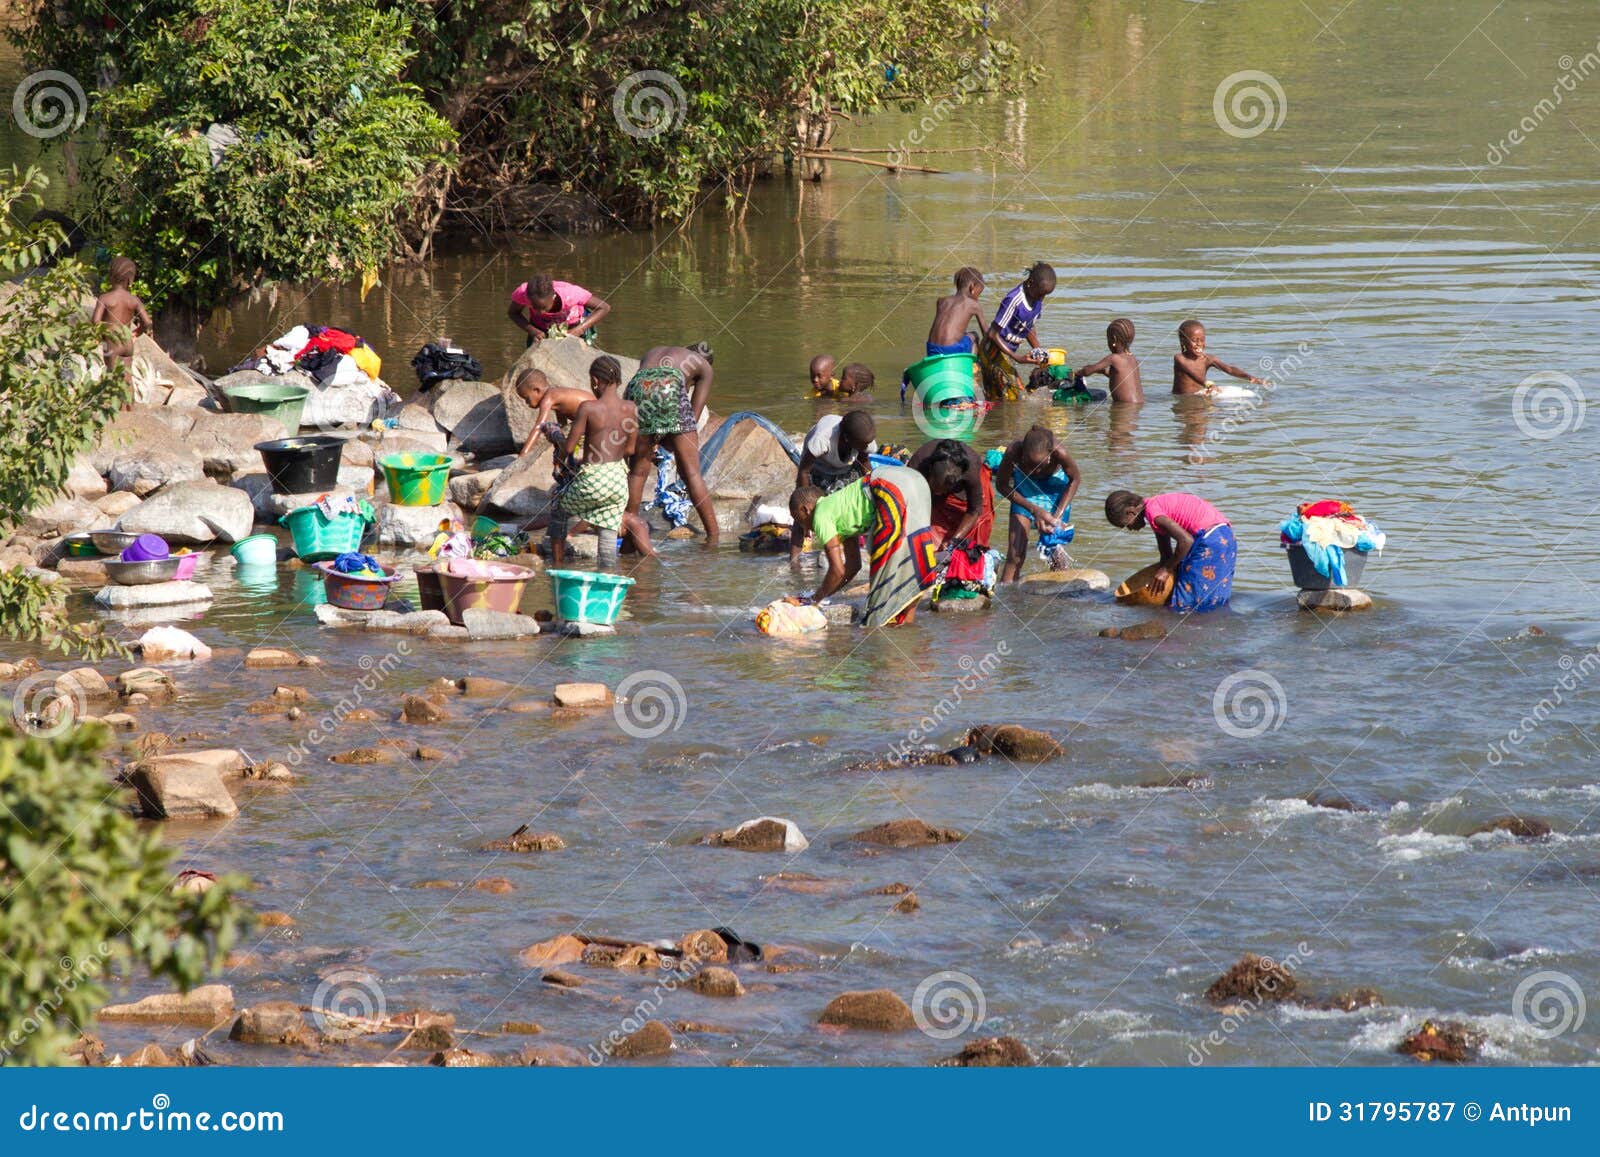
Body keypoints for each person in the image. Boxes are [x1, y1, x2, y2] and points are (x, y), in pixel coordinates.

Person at [787, 464, 940, 627]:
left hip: (888, 485)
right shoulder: (838, 507)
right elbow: (853, 566)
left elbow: (837, 570)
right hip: (916, 481)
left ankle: (881, 625)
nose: (804, 528)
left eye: (799, 520)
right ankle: (908, 623)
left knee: (885, 564)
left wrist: (812, 600)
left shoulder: (820, 515)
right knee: (912, 556)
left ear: (806, 510)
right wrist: (823, 595)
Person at [547, 357, 654, 566]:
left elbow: (568, 448)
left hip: (592, 479)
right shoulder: (631, 407)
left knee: (558, 510)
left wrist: (557, 439)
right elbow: (630, 449)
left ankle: (557, 567)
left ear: (595, 381)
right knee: (608, 529)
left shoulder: (588, 408)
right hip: (617, 482)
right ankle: (608, 577)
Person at [623, 343, 719, 544]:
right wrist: (672, 444)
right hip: (669, 388)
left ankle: (626, 530)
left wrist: (654, 441)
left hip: (637, 387)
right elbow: (691, 416)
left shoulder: (653, 351)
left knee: (638, 471)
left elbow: (653, 398)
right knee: (691, 474)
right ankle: (713, 537)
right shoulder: (705, 368)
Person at [1104, 489, 1235, 612]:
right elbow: (1166, 555)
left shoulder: (1154, 513)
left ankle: (1188, 632)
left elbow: (1186, 541)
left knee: (1186, 602)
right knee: (1213, 597)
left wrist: (1166, 570)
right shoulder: (1155, 508)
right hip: (1225, 537)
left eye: (1125, 525)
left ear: (1131, 513)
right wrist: (1162, 572)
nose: (1130, 529)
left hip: (1210, 540)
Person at [992, 425, 1081, 582]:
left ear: (1050, 456)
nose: (1034, 472)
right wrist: (1034, 509)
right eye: (1028, 464)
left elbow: (1075, 479)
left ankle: (1059, 598)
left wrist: (1055, 518)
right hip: (1025, 491)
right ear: (1023, 455)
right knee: (1015, 554)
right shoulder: (1014, 451)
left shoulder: (1060, 452)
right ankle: (1008, 596)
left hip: (1055, 492)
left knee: (1053, 549)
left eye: (1040, 466)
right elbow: (1002, 485)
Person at [978, 262, 1055, 400]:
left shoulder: (1037, 299)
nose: (1041, 298)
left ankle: (994, 419)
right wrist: (1017, 358)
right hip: (992, 352)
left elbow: (1029, 327)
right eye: (1040, 294)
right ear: (1031, 282)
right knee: (1018, 398)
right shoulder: (1014, 300)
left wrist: (1039, 351)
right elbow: (992, 333)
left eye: (1045, 295)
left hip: (1007, 354)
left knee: (998, 397)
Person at [908, 438, 994, 551]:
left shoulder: (971, 471)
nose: (938, 492)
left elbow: (974, 510)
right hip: (930, 492)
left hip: (971, 491)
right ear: (929, 472)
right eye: (935, 487)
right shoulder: (917, 464)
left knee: (974, 540)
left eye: (942, 490)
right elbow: (907, 503)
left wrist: (954, 541)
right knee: (926, 540)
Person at [92, 257, 153, 385]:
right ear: (130, 280)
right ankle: (129, 405)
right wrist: (136, 333)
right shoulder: (133, 299)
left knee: (112, 379)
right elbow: (147, 322)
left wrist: (101, 335)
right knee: (127, 379)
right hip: (127, 342)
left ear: (110, 276)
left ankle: (113, 404)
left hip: (111, 343)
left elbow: (95, 321)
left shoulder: (105, 298)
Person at [513, 368, 599, 456]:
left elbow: (539, 426)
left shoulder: (548, 398)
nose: (526, 402)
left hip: (595, 419)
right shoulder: (555, 395)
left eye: (527, 398)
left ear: (536, 390)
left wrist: (523, 454)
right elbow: (562, 423)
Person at [507, 273, 610, 347]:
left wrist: (580, 329)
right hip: (540, 329)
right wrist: (532, 330)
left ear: (553, 297)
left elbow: (604, 307)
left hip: (573, 327)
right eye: (535, 307)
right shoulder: (523, 293)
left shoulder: (570, 294)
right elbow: (513, 313)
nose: (540, 312)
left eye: (544, 308)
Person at [1173, 319, 1266, 395]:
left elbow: (1229, 369)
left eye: (1202, 340)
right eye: (1194, 340)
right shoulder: (1179, 358)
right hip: (1184, 399)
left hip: (1200, 395)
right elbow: (1193, 374)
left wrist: (1249, 377)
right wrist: (1209, 384)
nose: (1199, 344)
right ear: (1183, 341)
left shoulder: (1207, 359)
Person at [797, 409, 876, 491]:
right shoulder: (822, 440)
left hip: (845, 467)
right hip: (819, 467)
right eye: (863, 445)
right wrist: (804, 495)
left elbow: (863, 460)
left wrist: (872, 485)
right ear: (847, 439)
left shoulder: (864, 437)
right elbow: (804, 471)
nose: (867, 446)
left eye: (868, 443)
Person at [1074, 318, 1143, 404]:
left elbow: (1088, 371)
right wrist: (1104, 372)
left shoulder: (1113, 358)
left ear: (1113, 339)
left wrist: (1078, 373)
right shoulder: (1132, 358)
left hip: (1124, 408)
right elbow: (1122, 380)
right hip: (1138, 406)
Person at [925, 266, 987, 356]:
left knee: (964, 335)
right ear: (972, 287)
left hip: (931, 349)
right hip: (950, 350)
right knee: (974, 335)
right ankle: (973, 366)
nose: (978, 298)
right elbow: (986, 333)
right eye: (979, 293)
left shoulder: (941, 301)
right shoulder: (973, 304)